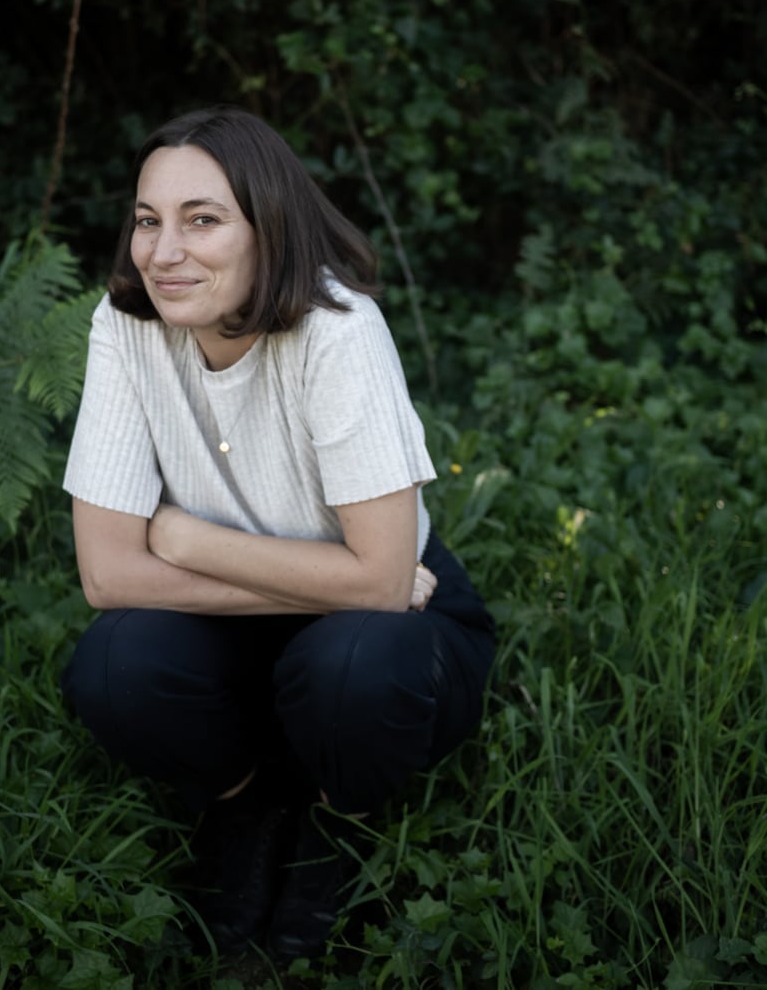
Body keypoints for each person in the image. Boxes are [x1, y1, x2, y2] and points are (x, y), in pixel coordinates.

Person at [58, 104, 497, 963]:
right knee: (111, 666)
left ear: (270, 227)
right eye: (149, 221)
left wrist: (186, 540)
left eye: (202, 220)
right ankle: (245, 798)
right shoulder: (124, 327)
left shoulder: (338, 332)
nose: (163, 251)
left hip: (394, 629)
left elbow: (382, 587)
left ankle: (338, 817)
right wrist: (336, 578)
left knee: (354, 668)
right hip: (253, 619)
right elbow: (109, 577)